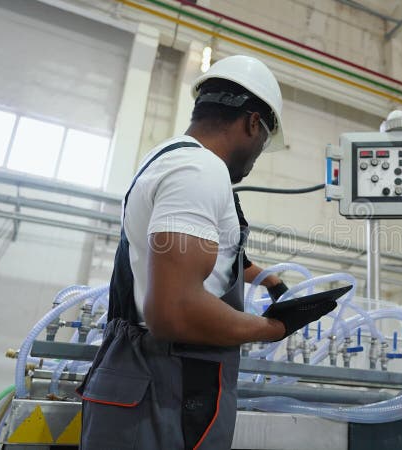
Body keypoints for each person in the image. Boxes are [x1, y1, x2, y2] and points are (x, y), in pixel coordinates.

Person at [77, 55, 335, 449]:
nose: (257, 155)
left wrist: (269, 279)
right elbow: (174, 309)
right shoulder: (199, 171)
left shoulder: (172, 158)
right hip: (167, 389)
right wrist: (272, 328)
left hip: (153, 382)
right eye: (264, 142)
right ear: (252, 123)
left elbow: (209, 254)